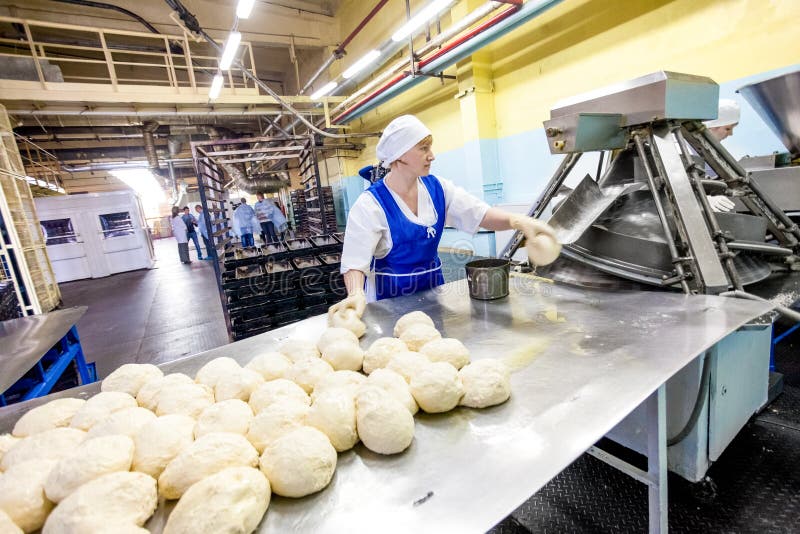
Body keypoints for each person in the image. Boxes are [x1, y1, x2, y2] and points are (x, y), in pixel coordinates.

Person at [329, 114, 560, 318]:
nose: (432, 155)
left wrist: (516, 221)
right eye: (423, 148)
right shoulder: (370, 205)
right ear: (399, 156)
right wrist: (356, 293)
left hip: (433, 296)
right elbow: (354, 261)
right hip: (389, 302)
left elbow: (479, 214)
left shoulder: (437, 188)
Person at [703, 98, 740, 213]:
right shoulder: (680, 147)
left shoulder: (711, 151)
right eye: (727, 128)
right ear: (713, 126)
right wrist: (702, 200)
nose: (731, 134)